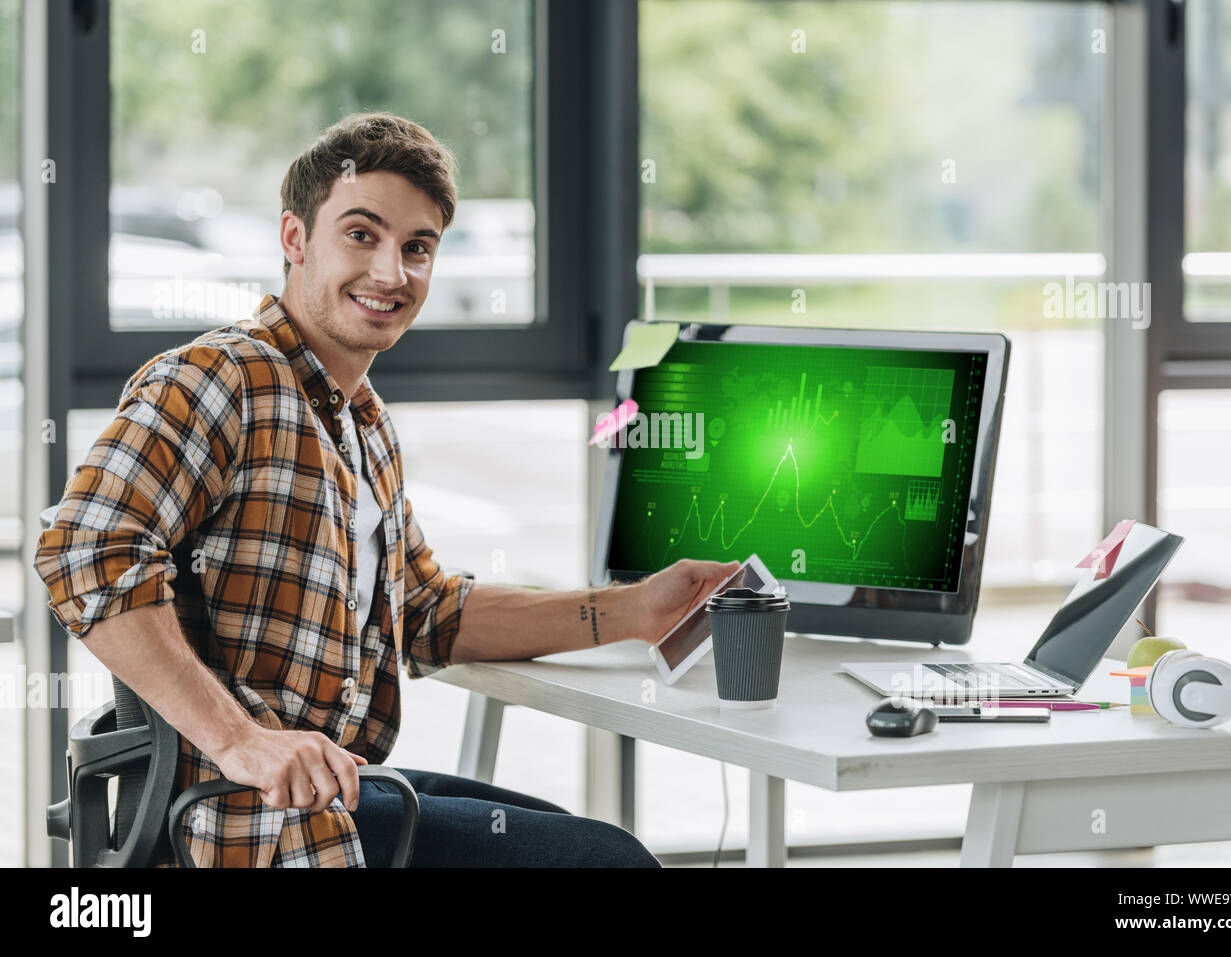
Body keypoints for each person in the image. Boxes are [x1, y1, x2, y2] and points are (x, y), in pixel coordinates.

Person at [33, 112, 738, 868]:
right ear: (295, 239)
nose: (391, 273)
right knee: (608, 865)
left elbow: (428, 611)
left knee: (589, 841)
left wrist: (634, 609)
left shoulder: (360, 422)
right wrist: (242, 740)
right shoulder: (223, 377)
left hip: (340, 787)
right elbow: (86, 553)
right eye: (361, 235)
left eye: (417, 248)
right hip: (245, 821)